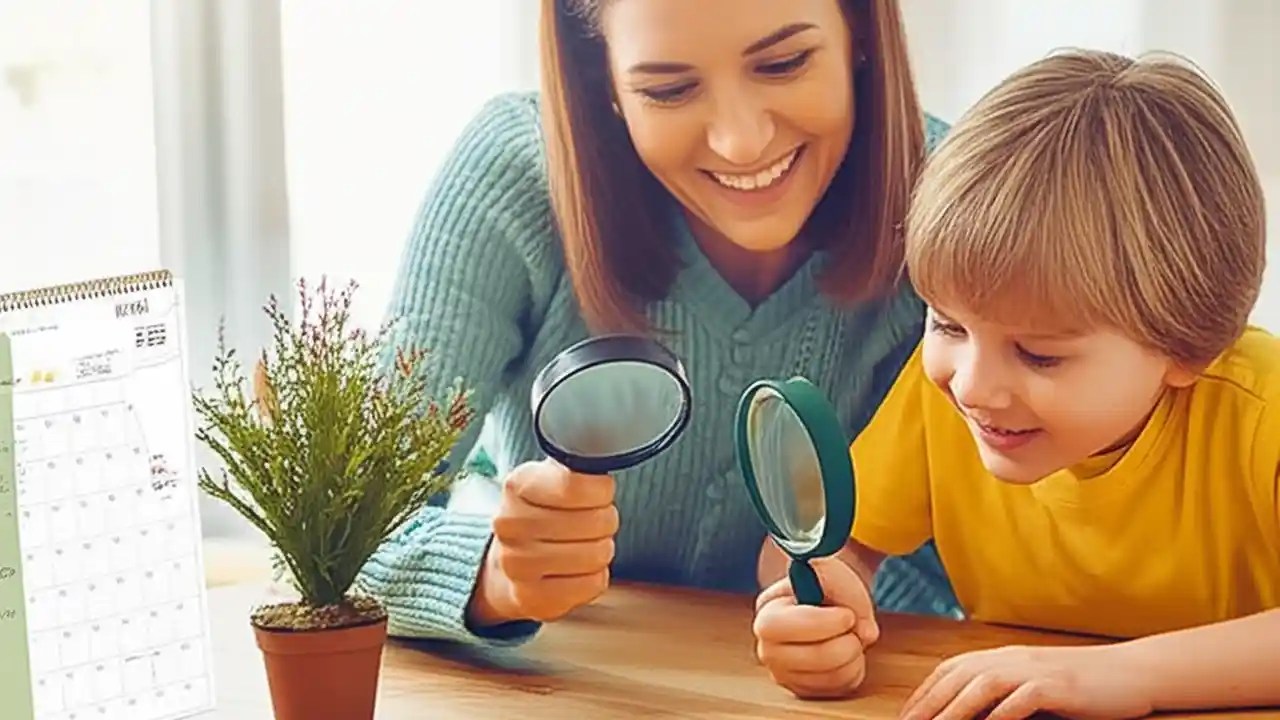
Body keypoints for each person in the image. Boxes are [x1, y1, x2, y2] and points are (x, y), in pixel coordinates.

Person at [355, 0, 963, 648]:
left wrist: (839, 598)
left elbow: (954, 580)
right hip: (558, 683)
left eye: (784, 63)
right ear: (602, 81)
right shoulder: (516, 176)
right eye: (668, 90)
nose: (741, 140)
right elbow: (335, 531)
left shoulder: (955, 203)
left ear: (862, 33)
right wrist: (495, 575)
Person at [752, 46, 1280, 715]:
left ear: (1189, 344)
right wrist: (817, 613)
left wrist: (1128, 674)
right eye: (946, 325)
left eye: (1039, 355)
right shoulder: (947, 396)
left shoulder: (1264, 411)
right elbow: (835, 548)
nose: (972, 385)